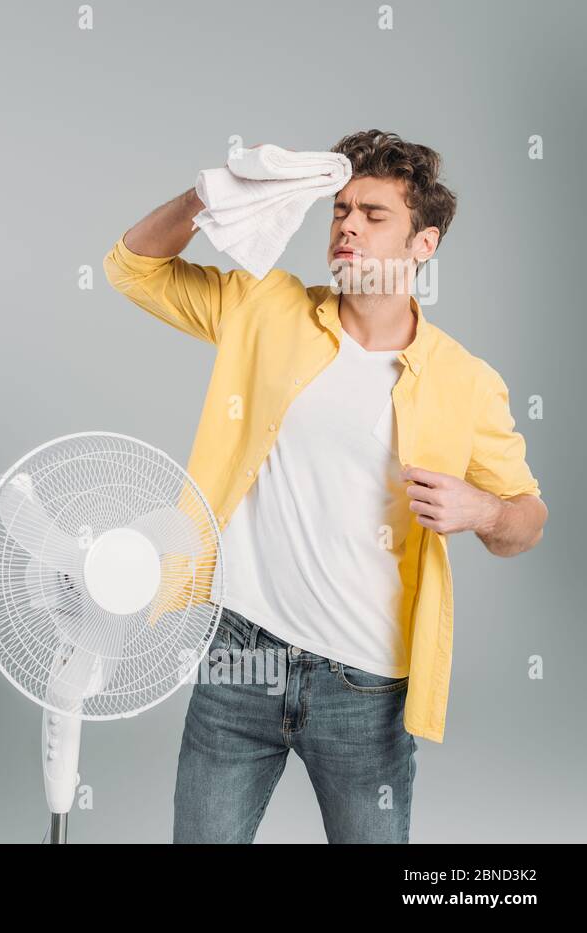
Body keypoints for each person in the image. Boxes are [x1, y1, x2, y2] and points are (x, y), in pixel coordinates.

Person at [103, 130, 547, 843]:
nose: (347, 226)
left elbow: (528, 521)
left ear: (423, 245)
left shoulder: (468, 382)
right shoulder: (265, 309)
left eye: (375, 216)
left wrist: (486, 508)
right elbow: (131, 268)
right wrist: (207, 197)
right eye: (340, 210)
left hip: (364, 686)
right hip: (239, 652)